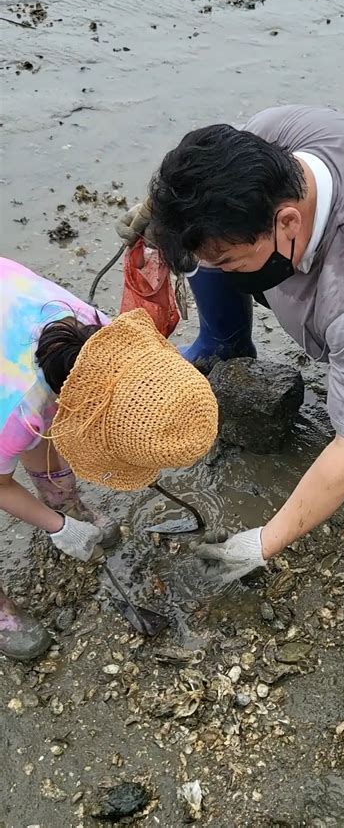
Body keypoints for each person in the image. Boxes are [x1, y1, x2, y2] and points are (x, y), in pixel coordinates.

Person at [115, 104, 344, 583]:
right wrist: (156, 213)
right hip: (309, 260)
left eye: (230, 259)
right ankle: (225, 343)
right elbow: (197, 180)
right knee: (206, 251)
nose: (217, 267)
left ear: (286, 221)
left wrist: (262, 542)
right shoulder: (273, 134)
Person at [0, 257, 218, 660]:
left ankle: (65, 501)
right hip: (11, 386)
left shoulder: (101, 334)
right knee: (28, 429)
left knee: (41, 425)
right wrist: (58, 528)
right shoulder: (14, 413)